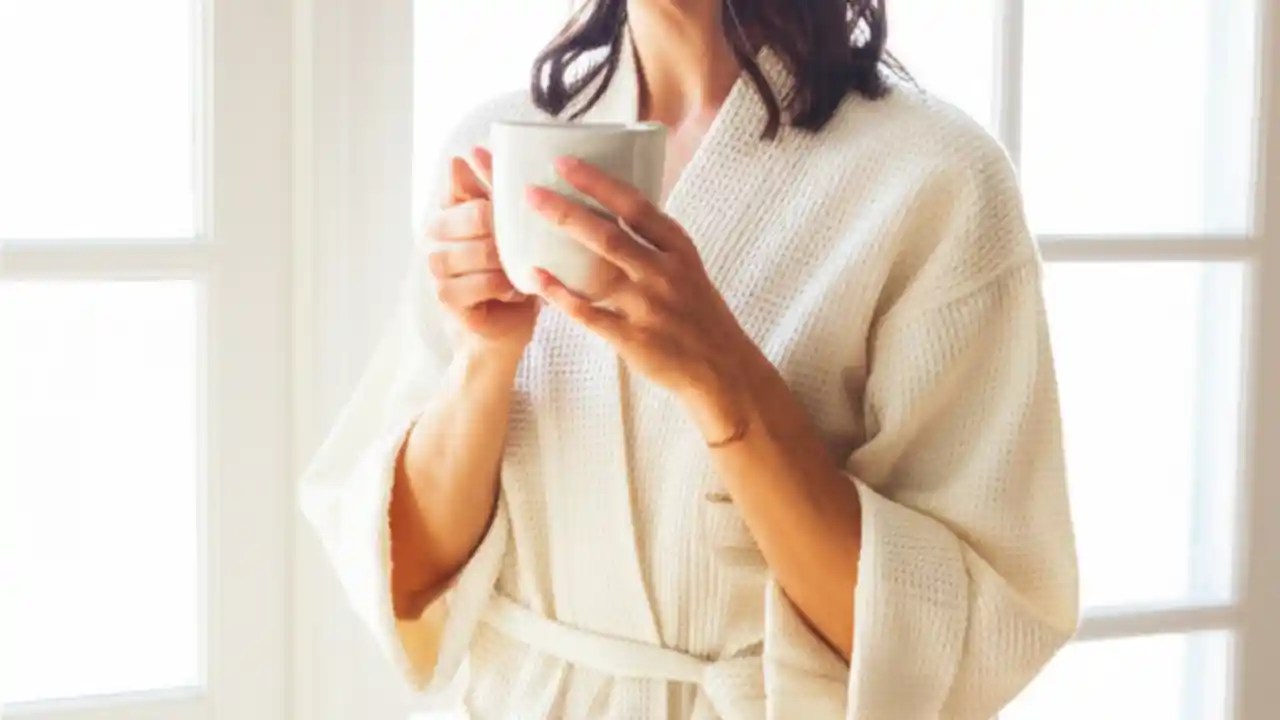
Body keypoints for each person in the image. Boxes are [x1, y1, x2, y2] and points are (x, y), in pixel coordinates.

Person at [300, 0, 1079, 717]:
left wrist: (724, 382)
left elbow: (962, 647)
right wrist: (486, 356)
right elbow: (412, 578)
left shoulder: (934, 178)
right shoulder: (503, 146)